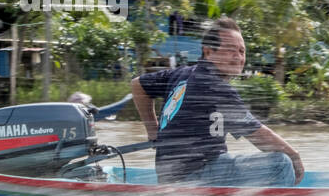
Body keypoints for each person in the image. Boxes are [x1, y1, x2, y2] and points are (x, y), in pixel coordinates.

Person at [130, 18, 304, 186]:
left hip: (171, 177)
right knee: (281, 163)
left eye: (241, 51)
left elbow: (138, 84)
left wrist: (153, 129)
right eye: (230, 50)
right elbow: (258, 135)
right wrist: (294, 156)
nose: (238, 57)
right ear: (208, 52)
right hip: (194, 177)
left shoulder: (180, 74)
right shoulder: (215, 86)